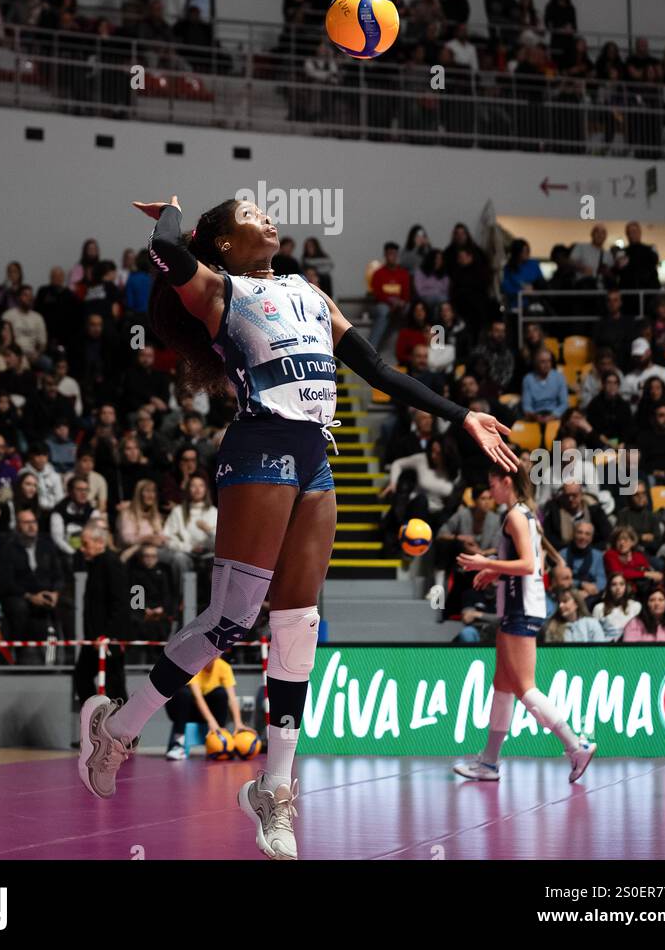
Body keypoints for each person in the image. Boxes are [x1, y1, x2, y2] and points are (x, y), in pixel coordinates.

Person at [78, 192, 515, 860]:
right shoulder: (218, 289)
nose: (270, 218)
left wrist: (463, 416)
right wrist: (172, 211)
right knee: (231, 620)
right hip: (260, 446)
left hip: (316, 454)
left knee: (298, 625)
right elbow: (165, 252)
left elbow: (379, 370)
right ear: (223, 241)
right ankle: (119, 726)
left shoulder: (310, 293)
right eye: (253, 212)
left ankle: (274, 788)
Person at [454, 463, 596, 782]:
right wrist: (496, 571)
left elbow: (528, 564)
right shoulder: (527, 514)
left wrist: (485, 562)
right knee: (502, 686)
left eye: (493, 484)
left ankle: (576, 746)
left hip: (520, 608)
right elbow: (534, 562)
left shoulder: (516, 516)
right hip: (522, 606)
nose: (490, 491)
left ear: (507, 481)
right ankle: (489, 761)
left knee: (524, 688)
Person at [73, 523, 129, 705]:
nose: (82, 549)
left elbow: (120, 603)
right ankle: (94, 719)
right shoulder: (95, 565)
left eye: (85, 543)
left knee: (115, 685)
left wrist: (109, 636)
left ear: (99, 542)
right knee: (82, 678)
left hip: (107, 638)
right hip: (94, 639)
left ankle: (123, 730)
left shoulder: (111, 563)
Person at [164, 654, 253, 762]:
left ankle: (221, 740)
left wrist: (238, 723)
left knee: (220, 693)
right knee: (184, 693)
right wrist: (211, 722)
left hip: (203, 712)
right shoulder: (193, 666)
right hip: (183, 710)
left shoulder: (224, 667)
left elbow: (232, 698)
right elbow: (198, 697)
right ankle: (178, 744)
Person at [0, 507, 64, 646]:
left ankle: (68, 654)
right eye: (26, 522)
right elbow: (7, 583)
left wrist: (55, 593)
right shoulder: (9, 549)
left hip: (46, 593)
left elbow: (58, 574)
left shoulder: (47, 546)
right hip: (21, 595)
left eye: (34, 522)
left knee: (67, 606)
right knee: (19, 608)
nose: (31, 526)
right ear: (18, 526)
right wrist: (30, 596)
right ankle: (21, 653)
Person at [368, 242, 412, 351]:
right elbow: (377, 294)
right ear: (385, 255)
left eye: (395, 254)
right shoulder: (378, 273)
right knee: (384, 310)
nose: (392, 256)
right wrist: (392, 303)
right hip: (382, 306)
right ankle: (371, 348)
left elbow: (406, 294)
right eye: (390, 254)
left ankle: (409, 348)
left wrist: (400, 303)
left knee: (410, 309)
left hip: (399, 306)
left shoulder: (403, 274)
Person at [521, 348, 568, 424]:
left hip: (554, 415)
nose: (546, 365)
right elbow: (527, 405)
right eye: (543, 362)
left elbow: (564, 403)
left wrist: (553, 416)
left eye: (549, 361)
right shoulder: (528, 379)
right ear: (536, 363)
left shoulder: (559, 377)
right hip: (535, 416)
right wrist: (534, 416)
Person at [542, 589, 608, 643]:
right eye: (559, 603)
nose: (560, 606)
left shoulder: (592, 623)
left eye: (565, 601)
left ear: (576, 603)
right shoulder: (552, 628)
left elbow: (600, 650)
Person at [592, 573, 641, 641]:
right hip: (607, 647)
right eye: (614, 584)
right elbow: (594, 635)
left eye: (621, 584)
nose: (618, 588)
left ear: (626, 587)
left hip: (630, 647)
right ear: (608, 588)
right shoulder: (599, 608)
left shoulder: (635, 606)